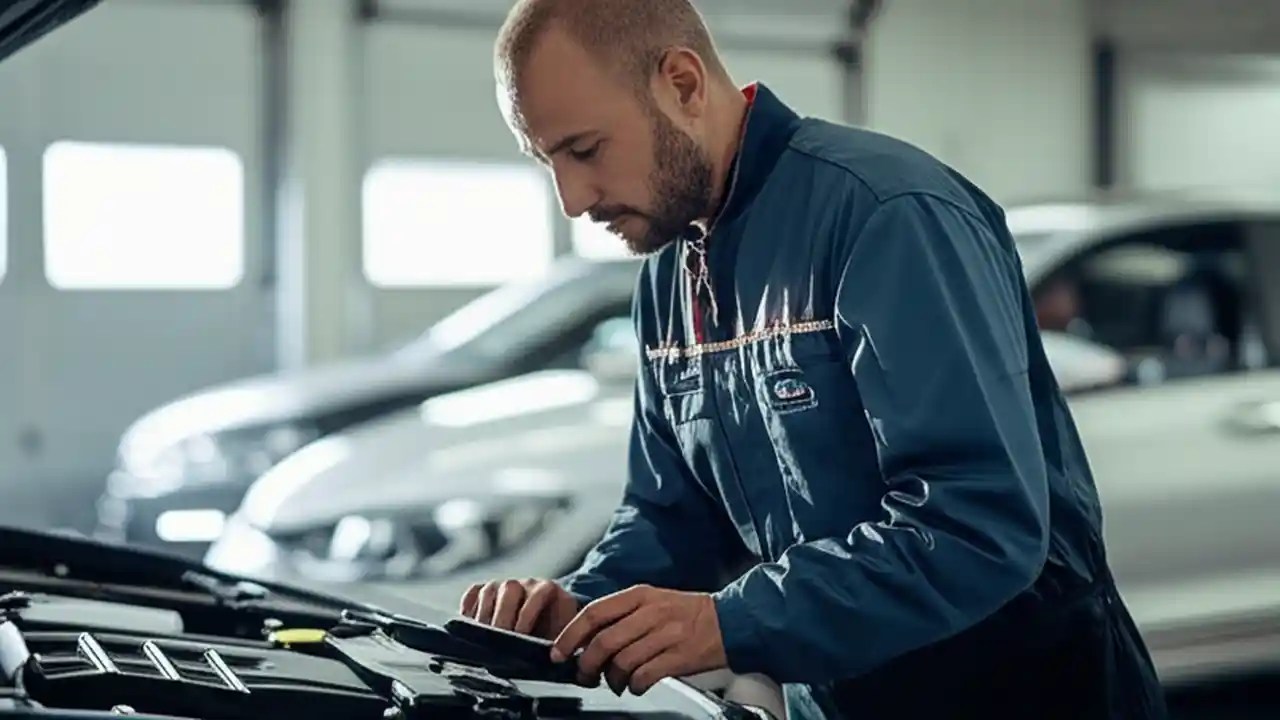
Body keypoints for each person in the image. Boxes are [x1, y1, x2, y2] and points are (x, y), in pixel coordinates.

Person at [461, 1, 1169, 717]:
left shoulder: (887, 216)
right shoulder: (667, 279)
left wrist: (730, 623)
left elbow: (977, 524)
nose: (573, 199)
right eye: (546, 160)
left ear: (681, 83)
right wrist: (582, 608)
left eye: (585, 151)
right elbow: (672, 515)